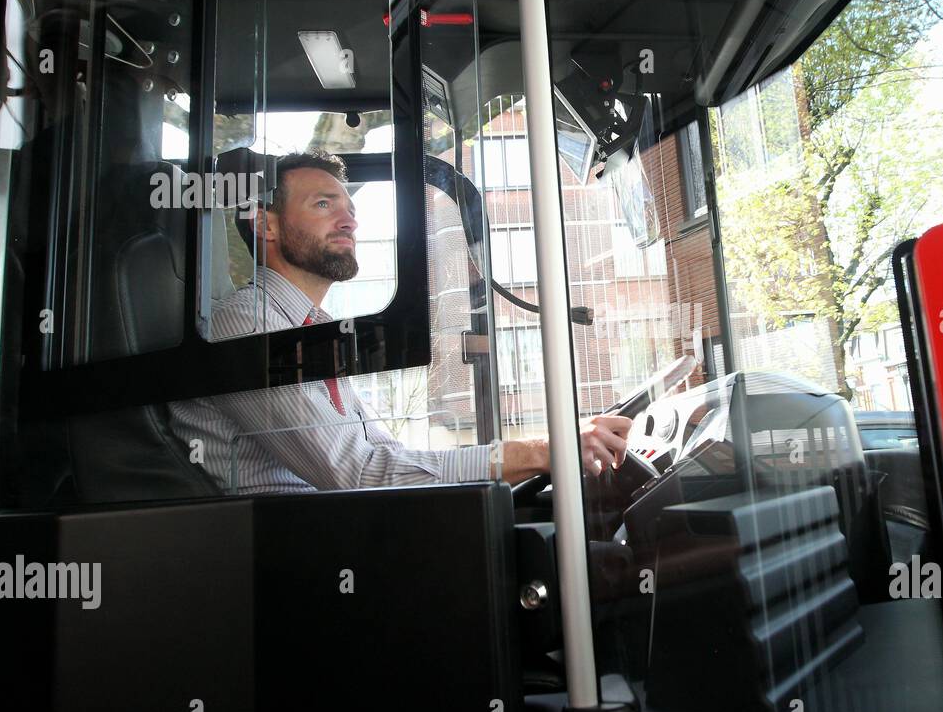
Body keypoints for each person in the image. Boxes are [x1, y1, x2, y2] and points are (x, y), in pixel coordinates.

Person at [169, 148, 629, 495]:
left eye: (350, 208)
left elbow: (387, 458)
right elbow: (358, 474)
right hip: (282, 550)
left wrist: (537, 452)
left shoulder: (311, 327)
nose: (350, 221)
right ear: (264, 225)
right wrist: (545, 451)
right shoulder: (246, 327)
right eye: (324, 205)